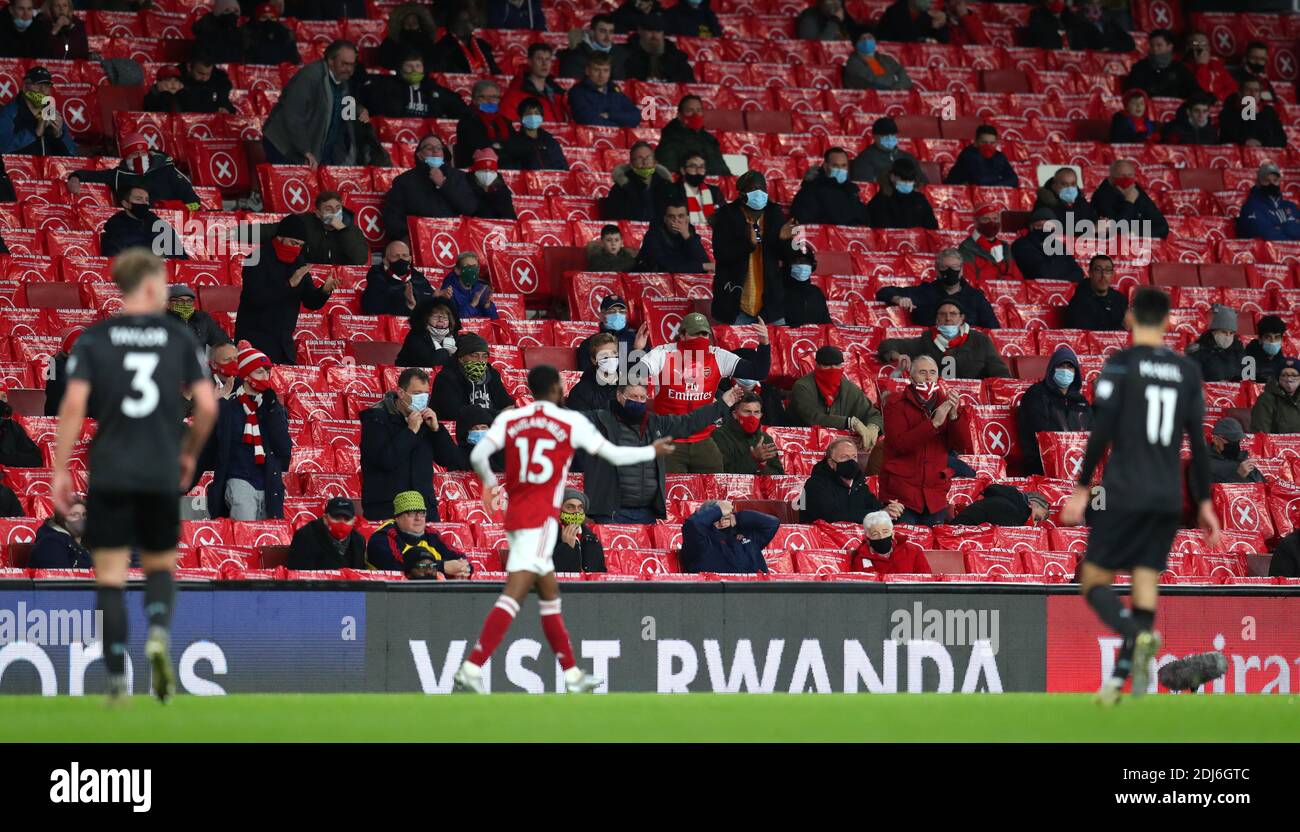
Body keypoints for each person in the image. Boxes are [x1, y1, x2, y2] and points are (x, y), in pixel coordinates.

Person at [52, 248, 218, 704]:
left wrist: (61, 466)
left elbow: (71, 405)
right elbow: (206, 406)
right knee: (161, 564)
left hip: (110, 468)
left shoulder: (96, 338)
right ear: (148, 285)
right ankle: (159, 633)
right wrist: (188, 453)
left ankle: (115, 676)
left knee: (109, 576)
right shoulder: (177, 338)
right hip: (160, 466)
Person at [454, 365, 679, 694]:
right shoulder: (569, 421)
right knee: (515, 594)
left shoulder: (510, 419)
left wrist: (489, 484)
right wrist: (651, 451)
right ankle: (472, 667)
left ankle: (572, 675)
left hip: (517, 514)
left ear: (530, 389)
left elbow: (478, 454)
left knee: (549, 598)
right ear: (558, 390)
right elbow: (614, 455)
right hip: (542, 517)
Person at [1059, 287, 1220, 706]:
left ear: (1129, 320)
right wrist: (1203, 503)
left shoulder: (1121, 364)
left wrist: (1080, 488)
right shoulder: (1186, 371)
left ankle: (1136, 636)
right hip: (1167, 496)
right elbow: (1199, 446)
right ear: (1168, 323)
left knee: (1094, 580)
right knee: (1145, 583)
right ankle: (1120, 682)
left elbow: (1102, 432)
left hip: (1127, 489)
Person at [575, 382, 741, 524]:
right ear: (619, 396)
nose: (638, 401)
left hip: (647, 513)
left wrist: (723, 403)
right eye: (633, 397)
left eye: (642, 398)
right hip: (610, 513)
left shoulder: (655, 423)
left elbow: (689, 422)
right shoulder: (598, 420)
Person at [632, 312, 771, 474]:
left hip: (703, 438)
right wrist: (637, 351)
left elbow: (758, 372)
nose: (701, 337)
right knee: (672, 491)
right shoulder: (662, 353)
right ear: (682, 335)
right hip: (668, 437)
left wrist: (764, 343)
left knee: (716, 488)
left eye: (704, 333)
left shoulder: (717, 355)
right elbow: (632, 377)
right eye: (696, 333)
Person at [360, 367, 465, 521]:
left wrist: (437, 430)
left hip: (424, 509)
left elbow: (450, 460)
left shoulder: (426, 422)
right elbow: (386, 460)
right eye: (416, 394)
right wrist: (410, 431)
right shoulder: (376, 420)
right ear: (401, 393)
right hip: (388, 509)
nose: (422, 399)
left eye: (425, 394)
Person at [879, 355, 972, 526]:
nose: (928, 377)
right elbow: (900, 444)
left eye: (932, 373)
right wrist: (933, 423)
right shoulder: (895, 404)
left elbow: (962, 446)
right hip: (902, 495)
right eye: (922, 373)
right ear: (910, 377)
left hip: (934, 496)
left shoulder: (946, 403)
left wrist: (953, 417)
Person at [202, 342, 291, 521]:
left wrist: (273, 410)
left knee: (267, 539)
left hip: (269, 483)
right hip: (239, 479)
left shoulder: (273, 408)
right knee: (245, 533)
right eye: (259, 372)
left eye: (267, 372)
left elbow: (283, 449)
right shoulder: (228, 407)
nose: (265, 377)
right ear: (245, 375)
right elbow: (212, 448)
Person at [234, 213, 337, 365]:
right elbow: (255, 298)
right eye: (293, 243)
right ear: (280, 237)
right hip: (255, 339)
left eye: (301, 245)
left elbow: (310, 302)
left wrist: (324, 291)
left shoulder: (299, 262)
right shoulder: (255, 258)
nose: (296, 249)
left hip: (284, 343)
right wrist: (289, 284)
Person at [711, 171, 797, 325]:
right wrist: (748, 245)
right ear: (742, 193)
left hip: (771, 306)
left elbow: (788, 258)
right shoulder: (726, 215)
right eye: (753, 189)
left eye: (762, 188)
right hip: (736, 304)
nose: (759, 193)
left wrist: (784, 240)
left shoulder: (774, 213)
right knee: (737, 349)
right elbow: (721, 255)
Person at [261, 41, 365, 167]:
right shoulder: (310, 76)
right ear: (331, 61)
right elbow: (293, 114)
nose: (349, 69)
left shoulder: (344, 82)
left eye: (352, 65)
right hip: (284, 146)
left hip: (311, 149)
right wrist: (305, 150)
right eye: (344, 64)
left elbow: (344, 122)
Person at [382, 133, 479, 240]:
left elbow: (469, 208)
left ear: (444, 153)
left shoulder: (459, 177)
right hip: (417, 239)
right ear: (419, 155)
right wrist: (414, 236)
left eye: (439, 148)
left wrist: (443, 184)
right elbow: (393, 218)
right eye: (429, 148)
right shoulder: (404, 181)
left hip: (454, 239)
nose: (435, 151)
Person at [68, 132, 201, 209]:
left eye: (142, 153)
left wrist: (172, 208)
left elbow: (195, 203)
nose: (139, 157)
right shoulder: (118, 175)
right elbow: (91, 175)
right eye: (134, 154)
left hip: (170, 223)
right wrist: (75, 176)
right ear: (126, 157)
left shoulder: (167, 170)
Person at [877, 248, 1000, 330]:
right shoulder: (924, 291)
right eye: (945, 267)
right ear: (937, 270)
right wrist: (898, 298)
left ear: (961, 270)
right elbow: (883, 292)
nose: (950, 272)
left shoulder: (975, 297)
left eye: (954, 267)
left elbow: (994, 329)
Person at [1017, 345, 1093, 476]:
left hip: (1078, 461)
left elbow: (1092, 431)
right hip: (1042, 465)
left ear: (1076, 373)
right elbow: (1041, 434)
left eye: (1070, 367)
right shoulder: (1036, 394)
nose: (1065, 371)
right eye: (1061, 366)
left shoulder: (1080, 401)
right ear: (1052, 369)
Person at [788, 346, 883, 449]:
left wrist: (873, 427)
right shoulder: (802, 386)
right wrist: (850, 422)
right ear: (817, 365)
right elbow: (811, 417)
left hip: (841, 448)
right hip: (805, 445)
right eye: (827, 365)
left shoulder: (849, 388)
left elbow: (873, 414)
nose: (833, 369)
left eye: (837, 365)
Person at [366, 490, 473, 576]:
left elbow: (459, 557)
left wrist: (463, 567)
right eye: (412, 513)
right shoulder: (381, 538)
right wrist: (441, 566)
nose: (418, 518)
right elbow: (398, 566)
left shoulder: (431, 534)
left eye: (422, 513)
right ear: (397, 517)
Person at [801, 436, 900, 524]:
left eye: (854, 457)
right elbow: (831, 516)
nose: (851, 462)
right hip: (822, 541)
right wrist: (877, 515)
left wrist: (890, 509)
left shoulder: (858, 484)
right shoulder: (815, 485)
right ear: (831, 463)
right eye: (845, 457)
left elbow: (875, 506)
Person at [429, 333, 516, 422]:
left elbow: (507, 404)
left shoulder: (492, 374)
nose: (480, 360)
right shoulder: (446, 377)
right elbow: (457, 413)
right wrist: (497, 414)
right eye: (474, 356)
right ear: (461, 358)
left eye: (484, 356)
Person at [680, 500, 778, 574]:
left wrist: (737, 518)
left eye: (725, 517)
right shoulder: (699, 542)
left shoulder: (743, 533)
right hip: (720, 596)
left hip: (760, 593)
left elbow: (772, 523)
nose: (722, 521)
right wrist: (718, 510)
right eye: (717, 518)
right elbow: (693, 524)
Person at [365, 52, 471, 120]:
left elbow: (459, 108)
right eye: (409, 66)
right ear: (400, 69)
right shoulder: (387, 87)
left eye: (418, 66)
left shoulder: (433, 89)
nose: (414, 70)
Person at [272, 192, 369, 267]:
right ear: (318, 213)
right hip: (309, 276)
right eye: (328, 209)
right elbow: (274, 230)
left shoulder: (352, 230)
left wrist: (342, 230)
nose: (335, 213)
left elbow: (360, 260)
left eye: (338, 208)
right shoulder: (304, 223)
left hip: (339, 280)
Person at [0, 65, 77, 155]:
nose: (42, 90)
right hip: (21, 169)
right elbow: (3, 149)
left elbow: (73, 155)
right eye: (38, 84)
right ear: (25, 87)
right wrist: (34, 133)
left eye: (47, 85)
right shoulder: (10, 112)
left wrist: (60, 135)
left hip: (49, 168)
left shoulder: (53, 113)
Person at [101, 185, 188, 260]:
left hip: (162, 274)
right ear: (126, 204)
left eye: (146, 200)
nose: (144, 203)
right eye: (138, 199)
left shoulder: (160, 226)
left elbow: (181, 258)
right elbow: (113, 261)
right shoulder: (115, 228)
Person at [791, 147, 870, 227]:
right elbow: (805, 220)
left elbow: (862, 218)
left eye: (843, 165)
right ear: (825, 166)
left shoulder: (851, 190)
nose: (840, 169)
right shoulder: (811, 189)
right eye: (835, 166)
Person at [1091, 159, 1169, 239]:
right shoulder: (1101, 196)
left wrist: (1133, 233)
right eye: (1121, 176)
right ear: (1111, 178)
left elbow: (1162, 228)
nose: (1126, 179)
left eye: (1130, 175)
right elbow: (1117, 230)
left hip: (1140, 247)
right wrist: (1129, 202)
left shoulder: (1137, 191)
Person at [635, 198, 713, 274]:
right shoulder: (653, 236)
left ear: (687, 219)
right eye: (671, 216)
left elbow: (704, 263)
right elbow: (666, 267)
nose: (676, 220)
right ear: (665, 219)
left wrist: (687, 237)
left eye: (681, 216)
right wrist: (702, 266)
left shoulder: (691, 234)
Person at [287, 496, 366, 570]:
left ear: (354, 521)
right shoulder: (305, 537)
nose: (342, 523)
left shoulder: (359, 541)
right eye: (336, 518)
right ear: (325, 518)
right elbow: (297, 576)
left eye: (347, 519)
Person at [713, 393, 784, 475]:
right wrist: (753, 459)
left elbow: (778, 476)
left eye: (756, 412)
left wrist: (762, 465)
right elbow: (723, 473)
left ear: (761, 415)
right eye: (747, 411)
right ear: (735, 414)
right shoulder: (719, 436)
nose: (752, 416)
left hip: (761, 487)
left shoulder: (765, 438)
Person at [501, 43, 570, 125]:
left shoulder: (559, 95)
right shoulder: (513, 96)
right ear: (529, 62)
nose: (544, 64)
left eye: (548, 59)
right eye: (539, 59)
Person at [604, 141, 674, 222]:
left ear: (655, 162)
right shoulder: (620, 188)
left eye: (648, 158)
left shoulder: (666, 186)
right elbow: (613, 218)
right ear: (632, 163)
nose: (645, 162)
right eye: (640, 158)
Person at [1012, 206, 1086, 281]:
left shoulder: (1059, 246)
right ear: (1031, 227)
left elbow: (1078, 274)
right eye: (1039, 226)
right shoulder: (1022, 245)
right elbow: (1043, 274)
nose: (1045, 230)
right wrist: (1064, 269)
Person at [362, 239, 435, 317]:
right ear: (385, 261)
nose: (401, 259)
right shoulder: (376, 276)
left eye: (405, 255)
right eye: (395, 256)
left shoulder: (419, 278)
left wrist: (439, 299)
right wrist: (408, 305)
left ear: (410, 260)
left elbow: (430, 305)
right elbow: (374, 308)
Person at [655, 96, 726, 176]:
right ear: (679, 115)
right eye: (690, 111)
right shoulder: (670, 139)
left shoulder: (710, 139)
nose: (695, 115)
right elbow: (670, 173)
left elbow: (723, 170)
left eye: (698, 110)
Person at [567, 52, 640, 128]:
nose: (601, 75)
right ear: (587, 71)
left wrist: (609, 115)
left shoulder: (614, 90)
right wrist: (621, 125)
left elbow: (636, 116)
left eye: (606, 70)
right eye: (596, 70)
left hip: (619, 138)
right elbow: (588, 121)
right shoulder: (577, 92)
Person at [575, 294, 646, 371]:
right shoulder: (590, 343)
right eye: (612, 311)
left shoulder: (637, 339)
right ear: (601, 315)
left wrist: (638, 350)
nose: (617, 314)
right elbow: (585, 373)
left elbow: (645, 372)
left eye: (622, 312)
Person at [453, 80, 514, 168]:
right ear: (474, 100)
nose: (490, 101)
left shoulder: (504, 121)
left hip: (503, 165)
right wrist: (503, 147)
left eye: (494, 97)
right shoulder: (467, 120)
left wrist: (498, 146)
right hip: (475, 167)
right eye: (483, 97)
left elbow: (514, 144)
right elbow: (480, 147)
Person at [1123, 28, 1198, 100]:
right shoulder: (1139, 68)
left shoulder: (1180, 69)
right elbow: (1133, 94)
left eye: (1159, 45)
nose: (1155, 49)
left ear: (1170, 47)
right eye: (1152, 46)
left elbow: (1194, 92)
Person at [498, 97, 569, 171]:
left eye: (536, 113)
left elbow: (563, 168)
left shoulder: (551, 142)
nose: (532, 116)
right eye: (528, 113)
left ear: (542, 117)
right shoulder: (513, 143)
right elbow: (512, 171)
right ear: (520, 118)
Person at [866, 158, 938, 230]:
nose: (907, 183)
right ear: (892, 177)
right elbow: (882, 230)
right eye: (903, 180)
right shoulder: (881, 200)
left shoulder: (920, 199)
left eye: (910, 180)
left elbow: (932, 226)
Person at [850, 511, 931, 574]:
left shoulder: (913, 551)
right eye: (875, 534)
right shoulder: (860, 558)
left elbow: (926, 580)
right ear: (868, 538)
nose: (881, 537)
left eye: (885, 532)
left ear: (892, 533)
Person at [850, 117, 925, 185]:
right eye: (885, 135)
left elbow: (923, 182)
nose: (890, 138)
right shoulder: (864, 158)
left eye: (892, 135)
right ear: (874, 136)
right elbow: (866, 187)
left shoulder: (907, 157)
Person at [958, 203, 1021, 282]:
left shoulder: (1005, 246)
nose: (991, 222)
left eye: (995, 219)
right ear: (976, 222)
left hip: (1005, 291)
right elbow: (968, 279)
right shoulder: (966, 247)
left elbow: (1016, 277)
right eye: (986, 219)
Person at [1237, 162, 1300, 241]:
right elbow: (1266, 236)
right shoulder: (1251, 207)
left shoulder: (1290, 206)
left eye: (1275, 180)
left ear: (1279, 182)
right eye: (1266, 180)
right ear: (1258, 182)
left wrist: (1278, 226)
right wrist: (1291, 225)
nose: (1271, 184)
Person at [622, 15, 695, 83]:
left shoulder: (676, 57)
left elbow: (688, 84)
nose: (654, 35)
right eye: (649, 30)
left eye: (658, 31)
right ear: (640, 31)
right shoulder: (625, 53)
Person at [430, 5, 500, 75]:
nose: (466, 25)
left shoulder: (483, 45)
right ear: (452, 24)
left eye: (469, 21)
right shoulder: (443, 48)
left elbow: (496, 73)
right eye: (461, 21)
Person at [1220, 77, 1287, 148]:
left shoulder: (1269, 111)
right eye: (1248, 90)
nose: (1253, 94)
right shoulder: (1228, 112)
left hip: (1265, 155)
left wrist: (1262, 143)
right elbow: (1228, 139)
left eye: (1256, 90)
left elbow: (1282, 140)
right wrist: (1252, 114)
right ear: (1240, 93)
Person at [1065, 255, 1128, 331]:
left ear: (1112, 274)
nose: (1103, 275)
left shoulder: (1120, 300)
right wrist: (1121, 327)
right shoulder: (1079, 302)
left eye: (1107, 271)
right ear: (1090, 273)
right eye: (1098, 270)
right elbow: (1087, 334)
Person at [1185, 304, 1246, 383]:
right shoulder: (1199, 351)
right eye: (1224, 332)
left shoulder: (1238, 350)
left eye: (1231, 333)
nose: (1228, 336)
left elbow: (1244, 375)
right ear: (1214, 332)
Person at [944, 125, 1018, 188]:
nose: (988, 146)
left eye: (991, 143)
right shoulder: (968, 154)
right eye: (984, 142)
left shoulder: (999, 156)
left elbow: (1013, 179)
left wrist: (995, 185)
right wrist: (998, 180)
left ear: (996, 143)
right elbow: (979, 180)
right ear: (976, 142)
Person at [559, 13, 627, 80]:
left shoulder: (620, 54)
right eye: (603, 31)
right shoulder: (576, 55)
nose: (608, 37)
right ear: (592, 32)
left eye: (611, 32)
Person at [396, 297, 460, 369]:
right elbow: (430, 362)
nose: (441, 320)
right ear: (426, 320)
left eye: (445, 318)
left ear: (450, 321)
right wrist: (447, 352)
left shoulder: (453, 335)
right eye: (435, 317)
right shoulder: (416, 336)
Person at [566, 333, 623, 413]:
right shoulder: (581, 391)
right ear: (593, 360)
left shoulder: (625, 386)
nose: (611, 359)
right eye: (604, 355)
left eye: (614, 353)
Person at [373, 2, 438, 71]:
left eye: (414, 21)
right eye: (407, 21)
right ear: (401, 23)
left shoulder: (426, 42)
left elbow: (432, 63)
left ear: (420, 24)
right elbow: (385, 62)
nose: (411, 24)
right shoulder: (392, 40)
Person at [553, 489, 605, 573]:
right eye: (570, 507)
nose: (576, 511)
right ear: (559, 510)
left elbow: (600, 573)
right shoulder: (549, 537)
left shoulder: (592, 539)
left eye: (580, 508)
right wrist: (566, 547)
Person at [27, 499, 90, 569]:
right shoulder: (50, 543)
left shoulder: (85, 541)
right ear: (61, 518)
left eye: (84, 515)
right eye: (74, 515)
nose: (81, 519)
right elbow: (60, 577)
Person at [168, 285, 230, 351]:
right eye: (179, 301)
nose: (185, 304)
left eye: (189, 301)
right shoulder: (160, 320)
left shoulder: (202, 318)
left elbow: (224, 344)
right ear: (168, 303)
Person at [439, 252, 498, 321]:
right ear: (457, 270)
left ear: (478, 270)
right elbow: (451, 321)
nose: (471, 270)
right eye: (467, 266)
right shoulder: (448, 291)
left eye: (474, 267)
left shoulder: (482, 288)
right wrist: (472, 305)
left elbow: (494, 320)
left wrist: (487, 306)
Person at [842, 33, 912, 92]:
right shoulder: (853, 63)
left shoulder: (886, 59)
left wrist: (898, 85)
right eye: (863, 39)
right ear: (857, 44)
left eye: (870, 38)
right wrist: (893, 84)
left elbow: (904, 76)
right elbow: (877, 81)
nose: (866, 41)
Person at [953, 485, 1051, 526]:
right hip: (957, 535)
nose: (1034, 524)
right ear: (1030, 504)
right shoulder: (1012, 512)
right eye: (1036, 518)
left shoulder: (1010, 502)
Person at [240, 0, 301, 66]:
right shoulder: (248, 35)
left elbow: (295, 59)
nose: (269, 20)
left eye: (272, 17)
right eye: (264, 17)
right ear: (257, 19)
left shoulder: (285, 34)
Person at [1206, 417, 1264, 485]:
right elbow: (1205, 493)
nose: (1235, 444)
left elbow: (1262, 486)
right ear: (1216, 440)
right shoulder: (1202, 464)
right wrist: (1238, 476)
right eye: (1231, 440)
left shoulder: (1242, 459)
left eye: (1238, 440)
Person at [782, 250, 830, 328]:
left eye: (806, 262)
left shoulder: (817, 293)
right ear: (789, 265)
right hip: (787, 337)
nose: (802, 265)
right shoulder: (779, 291)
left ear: (813, 266)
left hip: (816, 338)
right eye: (798, 262)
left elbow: (826, 323)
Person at [1184, 31, 1236, 103]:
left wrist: (1219, 98)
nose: (1200, 46)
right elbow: (1199, 92)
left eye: (1204, 44)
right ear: (1187, 48)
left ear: (1209, 48)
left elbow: (1233, 88)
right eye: (1195, 43)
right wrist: (1201, 66)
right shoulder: (1183, 67)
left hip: (1220, 104)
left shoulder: (1216, 64)